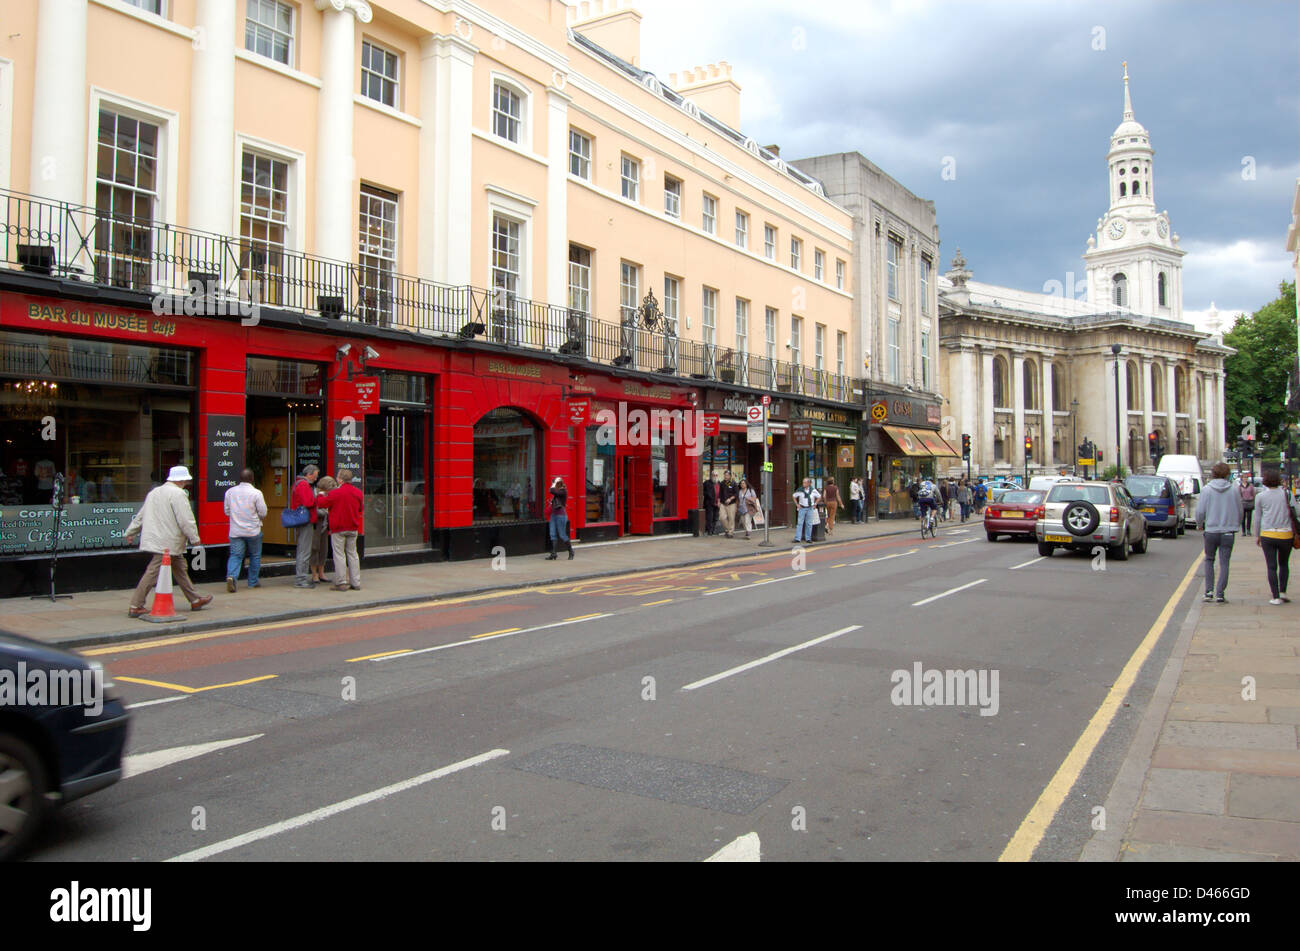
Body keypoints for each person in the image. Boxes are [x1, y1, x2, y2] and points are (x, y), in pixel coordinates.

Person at [125, 465, 212, 618]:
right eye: (186, 480)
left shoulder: (154, 492)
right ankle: (135, 605)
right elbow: (186, 520)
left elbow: (141, 515)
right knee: (152, 572)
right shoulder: (178, 494)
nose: (187, 482)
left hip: (159, 539)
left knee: (180, 568)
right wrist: (195, 539)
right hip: (168, 542)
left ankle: (195, 599)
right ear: (182, 480)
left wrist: (131, 531)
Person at [1196, 462, 1245, 603]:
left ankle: (1208, 591)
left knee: (1209, 560)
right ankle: (1220, 593)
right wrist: (1237, 524)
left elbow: (1200, 511)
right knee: (1224, 563)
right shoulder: (1234, 490)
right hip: (1228, 531)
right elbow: (1240, 510)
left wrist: (1200, 524)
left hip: (1211, 530)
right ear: (1227, 474)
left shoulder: (1206, 490)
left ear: (1213, 473)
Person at [316, 468, 364, 590]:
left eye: (337, 477)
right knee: (353, 554)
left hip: (338, 528)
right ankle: (356, 582)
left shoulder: (335, 493)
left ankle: (341, 582)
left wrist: (321, 494)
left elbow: (321, 504)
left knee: (339, 555)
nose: (336, 479)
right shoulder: (358, 492)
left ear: (341, 479)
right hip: (353, 527)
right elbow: (360, 509)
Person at [1255, 470, 1297, 605]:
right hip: (1286, 534)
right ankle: (1283, 592)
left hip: (1267, 534)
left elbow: (1257, 518)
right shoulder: (1287, 494)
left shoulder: (1260, 496)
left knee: (1271, 566)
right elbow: (1298, 512)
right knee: (1284, 564)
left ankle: (1276, 596)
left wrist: (1257, 535)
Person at [224, 467, 267, 592]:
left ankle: (231, 576)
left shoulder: (230, 492)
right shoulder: (256, 493)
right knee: (255, 556)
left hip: (235, 531)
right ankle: (252, 582)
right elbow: (263, 512)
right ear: (252, 479)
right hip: (253, 530)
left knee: (235, 555)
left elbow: (227, 511)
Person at [291, 464, 320, 588]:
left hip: (301, 520)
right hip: (305, 521)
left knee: (302, 549)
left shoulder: (298, 483)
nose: (316, 478)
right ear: (310, 474)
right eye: (315, 475)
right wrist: (318, 498)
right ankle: (301, 579)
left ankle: (301, 577)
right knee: (304, 550)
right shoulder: (303, 485)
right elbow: (308, 502)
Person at [310, 475, 337, 584]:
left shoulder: (328, 495)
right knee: (314, 548)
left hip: (325, 526)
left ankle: (321, 572)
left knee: (324, 549)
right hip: (316, 525)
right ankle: (314, 574)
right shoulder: (315, 494)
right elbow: (314, 509)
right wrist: (327, 512)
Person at [545, 476, 573, 560]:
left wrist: (554, 484)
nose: (553, 484)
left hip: (561, 516)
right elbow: (551, 491)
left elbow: (551, 490)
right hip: (553, 515)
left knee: (562, 534)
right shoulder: (557, 491)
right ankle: (553, 554)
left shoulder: (563, 491)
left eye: (554, 483)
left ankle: (571, 551)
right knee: (552, 534)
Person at [793, 477, 821, 543]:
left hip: (810, 508)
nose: (803, 484)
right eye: (803, 482)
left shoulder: (813, 490)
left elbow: (819, 496)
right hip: (802, 508)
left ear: (809, 483)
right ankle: (797, 538)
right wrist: (797, 504)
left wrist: (815, 503)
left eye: (805, 483)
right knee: (800, 523)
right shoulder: (800, 490)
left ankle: (808, 538)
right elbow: (794, 496)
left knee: (809, 523)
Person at [718, 473, 739, 539]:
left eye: (727, 475)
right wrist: (718, 501)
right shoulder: (722, 483)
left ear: (730, 476)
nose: (725, 476)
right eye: (725, 475)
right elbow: (720, 493)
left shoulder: (733, 483)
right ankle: (727, 529)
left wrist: (730, 499)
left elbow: (736, 494)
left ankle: (730, 532)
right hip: (723, 503)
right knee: (722, 517)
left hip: (731, 504)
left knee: (731, 518)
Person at [703, 471, 719, 536]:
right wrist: (708, 495)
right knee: (709, 517)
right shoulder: (706, 483)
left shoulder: (719, 483)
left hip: (717, 503)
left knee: (715, 517)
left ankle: (713, 530)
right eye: (714, 475)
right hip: (709, 503)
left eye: (716, 475)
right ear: (711, 476)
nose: (715, 476)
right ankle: (709, 530)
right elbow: (702, 491)